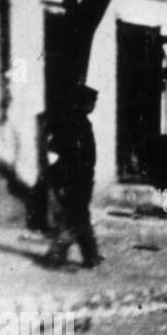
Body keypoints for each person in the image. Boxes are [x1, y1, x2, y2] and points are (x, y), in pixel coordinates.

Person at [44, 85, 102, 268]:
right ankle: (56, 255)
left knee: (80, 216)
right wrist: (63, 175)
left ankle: (90, 255)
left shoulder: (79, 122)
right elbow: (58, 151)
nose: (93, 106)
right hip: (74, 179)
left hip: (79, 178)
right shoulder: (75, 124)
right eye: (91, 103)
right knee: (75, 218)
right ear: (82, 104)